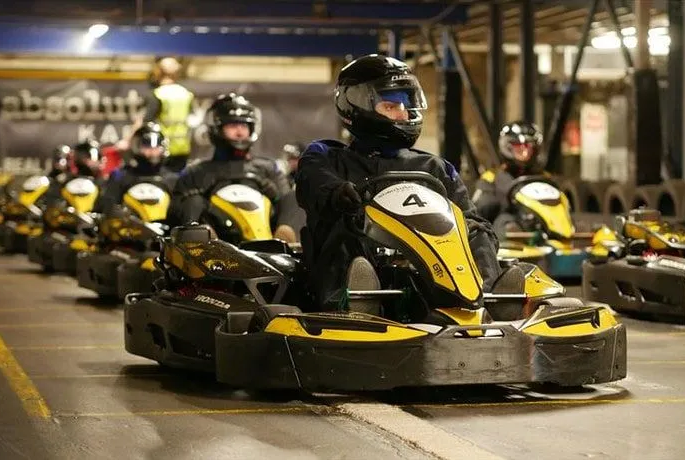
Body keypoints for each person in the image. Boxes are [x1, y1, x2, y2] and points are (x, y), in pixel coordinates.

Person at [295, 54, 525, 312]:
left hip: (425, 268)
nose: (403, 114)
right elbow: (313, 181)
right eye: (391, 106)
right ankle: (360, 302)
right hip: (368, 266)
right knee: (348, 226)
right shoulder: (328, 157)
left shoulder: (434, 168)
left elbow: (471, 218)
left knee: (475, 230)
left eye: (406, 105)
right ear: (356, 106)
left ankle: (488, 299)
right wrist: (337, 193)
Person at [168, 93, 298, 242]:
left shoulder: (268, 169)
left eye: (244, 126)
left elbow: (287, 202)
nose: (239, 132)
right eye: (233, 126)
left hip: (265, 236)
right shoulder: (196, 172)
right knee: (192, 201)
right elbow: (174, 214)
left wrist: (273, 194)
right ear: (216, 129)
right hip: (219, 242)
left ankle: (284, 243)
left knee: (294, 197)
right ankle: (205, 241)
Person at [95, 122, 178, 216]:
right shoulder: (120, 176)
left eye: (156, 146)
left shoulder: (172, 179)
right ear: (136, 147)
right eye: (146, 146)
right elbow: (108, 209)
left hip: (164, 227)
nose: (152, 151)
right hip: (130, 227)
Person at [472, 121, 546, 225]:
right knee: (504, 220)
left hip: (541, 228)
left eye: (528, 146)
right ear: (507, 147)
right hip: (509, 232)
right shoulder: (491, 178)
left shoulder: (544, 177)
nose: (524, 152)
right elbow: (478, 211)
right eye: (518, 147)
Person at [143, 57, 195, 172]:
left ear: (158, 72)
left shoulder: (158, 94)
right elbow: (193, 120)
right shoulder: (186, 94)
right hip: (183, 148)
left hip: (161, 149)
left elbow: (146, 122)